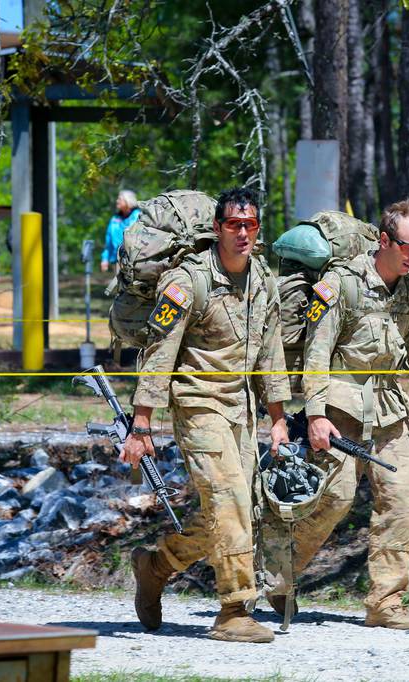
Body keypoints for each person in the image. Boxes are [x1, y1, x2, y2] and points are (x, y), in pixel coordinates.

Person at [264, 200, 409, 630]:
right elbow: (316, 351)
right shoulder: (340, 285)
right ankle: (277, 576)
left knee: (400, 500)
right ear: (385, 241)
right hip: (339, 405)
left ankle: (385, 602)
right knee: (334, 497)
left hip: (390, 408)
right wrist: (314, 414)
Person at [122, 187, 291, 644]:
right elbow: (158, 355)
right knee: (231, 499)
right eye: (234, 225)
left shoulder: (263, 281)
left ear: (258, 230)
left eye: (250, 225)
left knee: (234, 510)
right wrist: (141, 426)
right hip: (198, 404)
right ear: (217, 228)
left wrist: (278, 418)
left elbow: (271, 354)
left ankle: (155, 567)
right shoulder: (187, 282)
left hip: (242, 409)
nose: (242, 233)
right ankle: (234, 610)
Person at [100, 190, 141, 273]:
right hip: (117, 260)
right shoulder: (114, 219)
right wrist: (105, 259)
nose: (117, 201)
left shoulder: (138, 216)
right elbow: (108, 242)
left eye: (120, 199)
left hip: (135, 260)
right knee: (120, 285)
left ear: (128, 200)